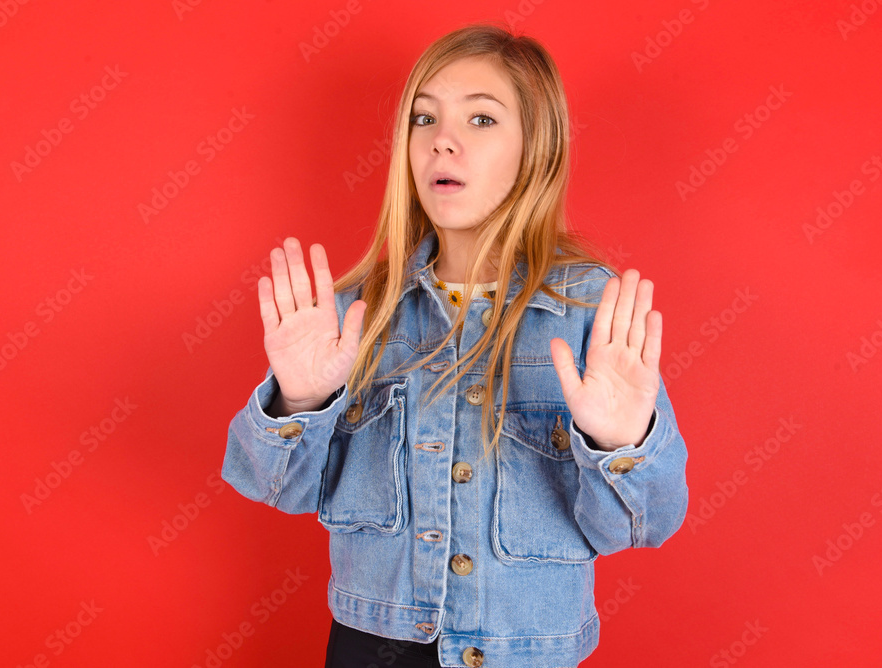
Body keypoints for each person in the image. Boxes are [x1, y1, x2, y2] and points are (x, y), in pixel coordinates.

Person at [222, 21, 689, 668]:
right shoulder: (357, 312)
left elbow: (643, 523)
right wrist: (299, 399)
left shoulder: (589, 310)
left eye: (481, 121)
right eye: (424, 119)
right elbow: (272, 487)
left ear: (536, 149)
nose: (443, 141)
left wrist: (621, 444)